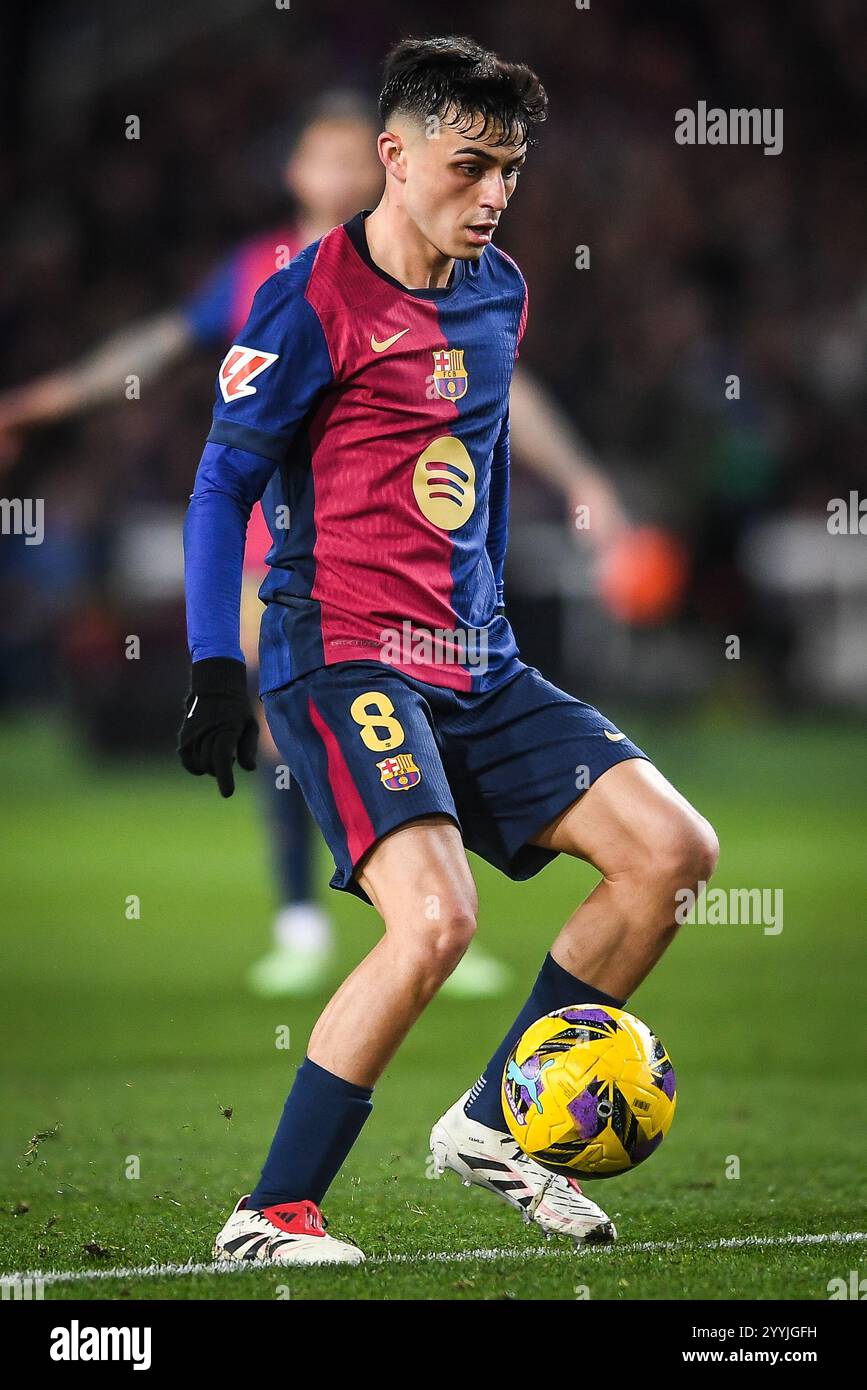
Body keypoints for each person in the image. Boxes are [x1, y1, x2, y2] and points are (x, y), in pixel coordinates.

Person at [178, 34, 718, 1265]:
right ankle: (270, 1212)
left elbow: (469, 467)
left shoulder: (501, 290)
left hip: (478, 660)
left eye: (511, 172)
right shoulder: (306, 298)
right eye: (470, 166)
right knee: (434, 922)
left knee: (673, 853)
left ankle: (492, 1123)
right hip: (343, 652)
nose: (493, 195)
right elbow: (220, 486)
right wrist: (218, 661)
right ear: (395, 154)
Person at [0, 87, 630, 1003]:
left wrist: (577, 475)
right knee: (288, 720)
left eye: (352, 158)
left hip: (413, 562)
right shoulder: (270, 270)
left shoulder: (455, 274)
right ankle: (307, 918)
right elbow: (158, 349)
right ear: (298, 171)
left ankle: (422, 916)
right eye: (322, 157)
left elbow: (496, 392)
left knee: (402, 711)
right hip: (283, 550)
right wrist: (43, 402)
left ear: (385, 163)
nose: (340, 174)